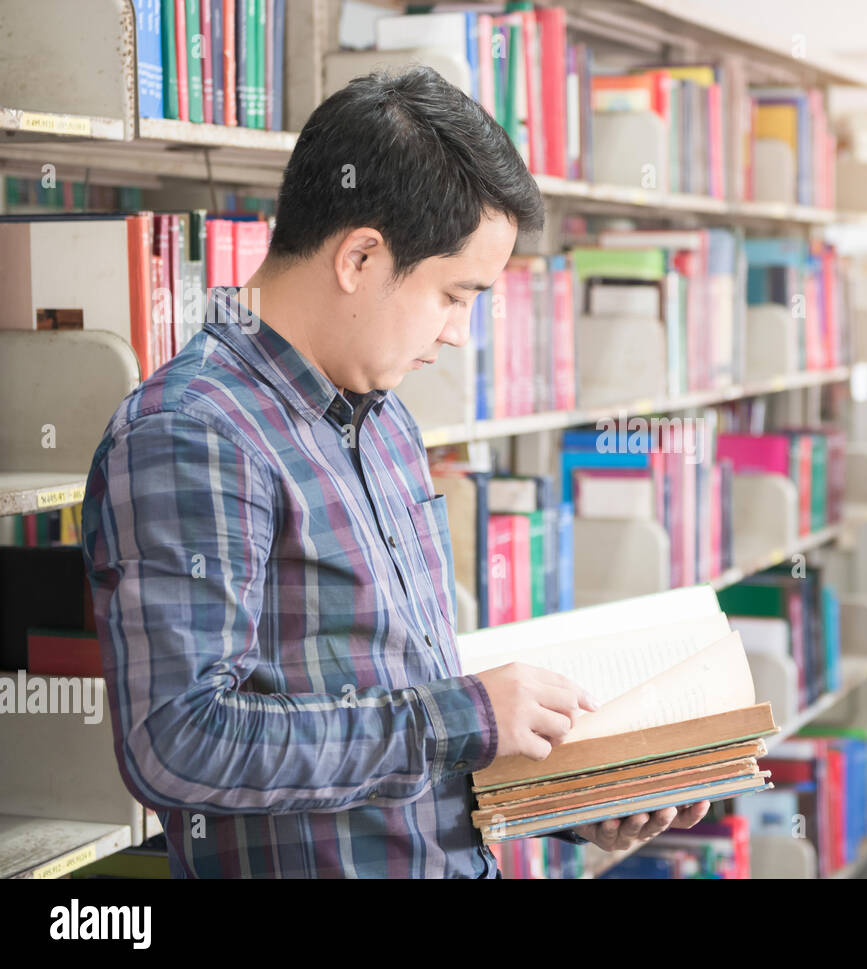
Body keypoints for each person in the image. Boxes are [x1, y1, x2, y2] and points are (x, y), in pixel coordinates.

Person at [80, 67, 707, 878]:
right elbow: (180, 740)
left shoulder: (385, 422)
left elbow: (410, 728)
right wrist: (467, 713)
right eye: (454, 294)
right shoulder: (192, 433)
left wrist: (567, 801)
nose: (458, 333)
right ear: (362, 256)